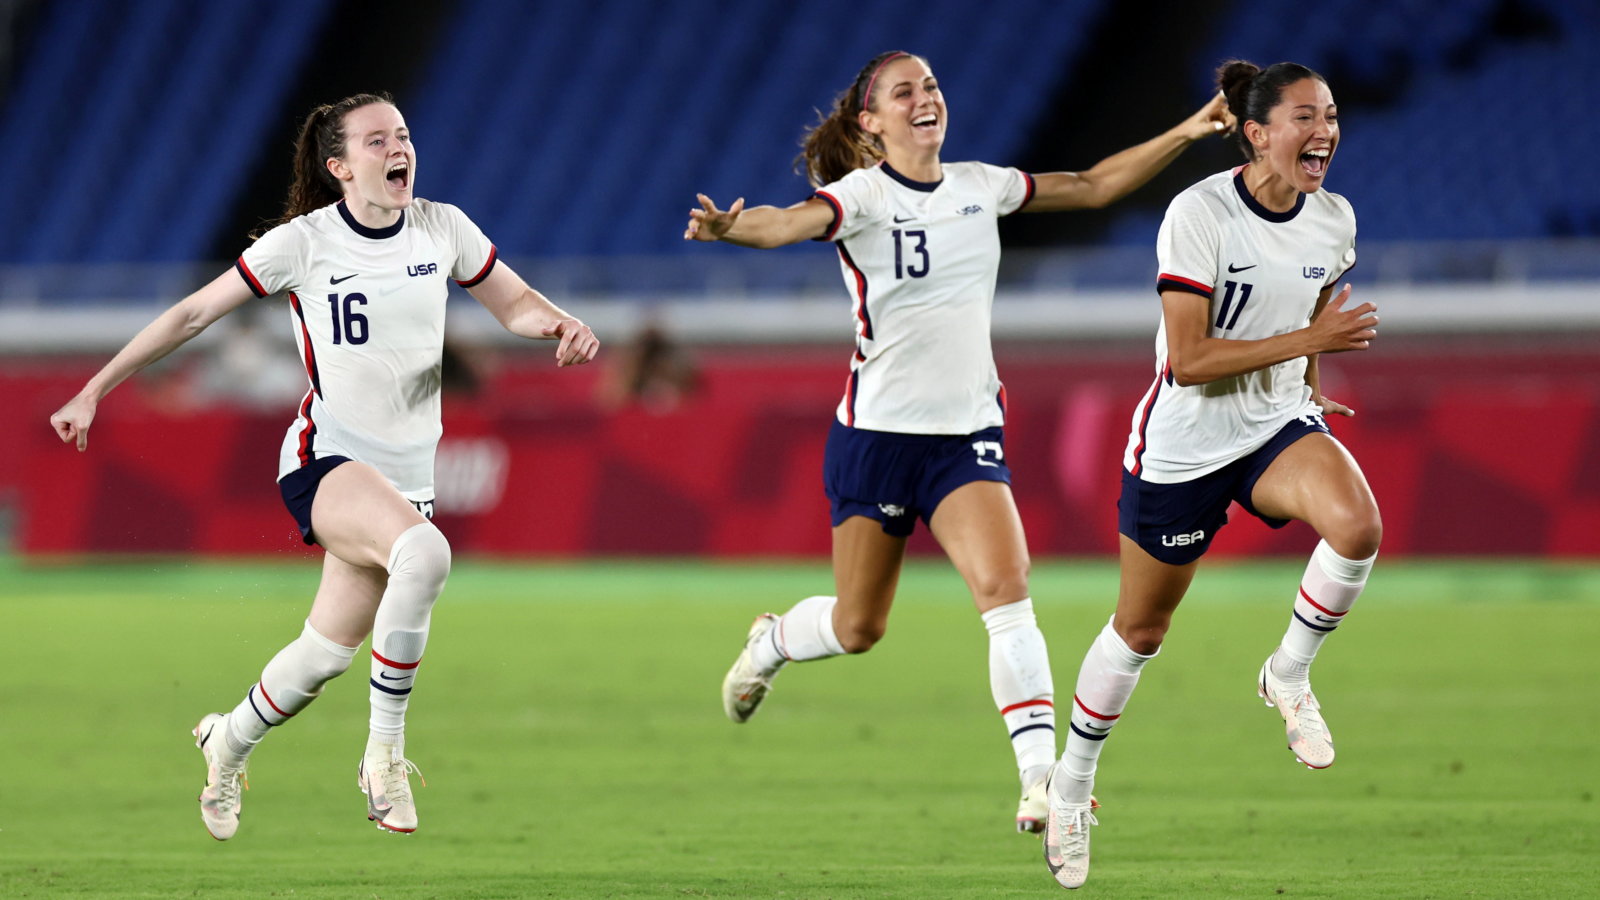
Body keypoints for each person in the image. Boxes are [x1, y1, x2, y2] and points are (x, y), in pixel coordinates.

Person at [684, 50, 1233, 835]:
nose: (925, 99)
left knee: (1007, 595)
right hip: (876, 440)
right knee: (858, 627)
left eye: (933, 86)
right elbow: (786, 224)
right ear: (871, 124)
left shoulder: (982, 185)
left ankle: (1042, 782)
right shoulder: (862, 196)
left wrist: (1188, 128)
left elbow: (1093, 185)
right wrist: (734, 230)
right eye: (904, 92)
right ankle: (771, 641)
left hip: (964, 437)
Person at [49, 92, 599, 841]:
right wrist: (95, 387)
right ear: (339, 166)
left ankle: (226, 742)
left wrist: (559, 323)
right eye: (376, 141)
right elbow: (191, 315)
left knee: (324, 655)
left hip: (406, 478)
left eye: (402, 135)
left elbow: (514, 305)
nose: (397, 148)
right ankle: (383, 757)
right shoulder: (301, 244)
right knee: (425, 553)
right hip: (326, 460)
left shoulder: (443, 227)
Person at [1040, 60, 1381, 889]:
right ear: (1257, 132)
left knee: (1358, 525)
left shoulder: (1334, 220)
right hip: (1184, 445)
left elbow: (1310, 315)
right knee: (1140, 631)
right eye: (1305, 116)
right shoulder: (1198, 215)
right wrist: (1308, 351)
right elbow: (1189, 361)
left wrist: (1310, 390)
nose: (1325, 130)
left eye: (1331, 114)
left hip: (1272, 425)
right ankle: (1072, 785)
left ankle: (1288, 674)